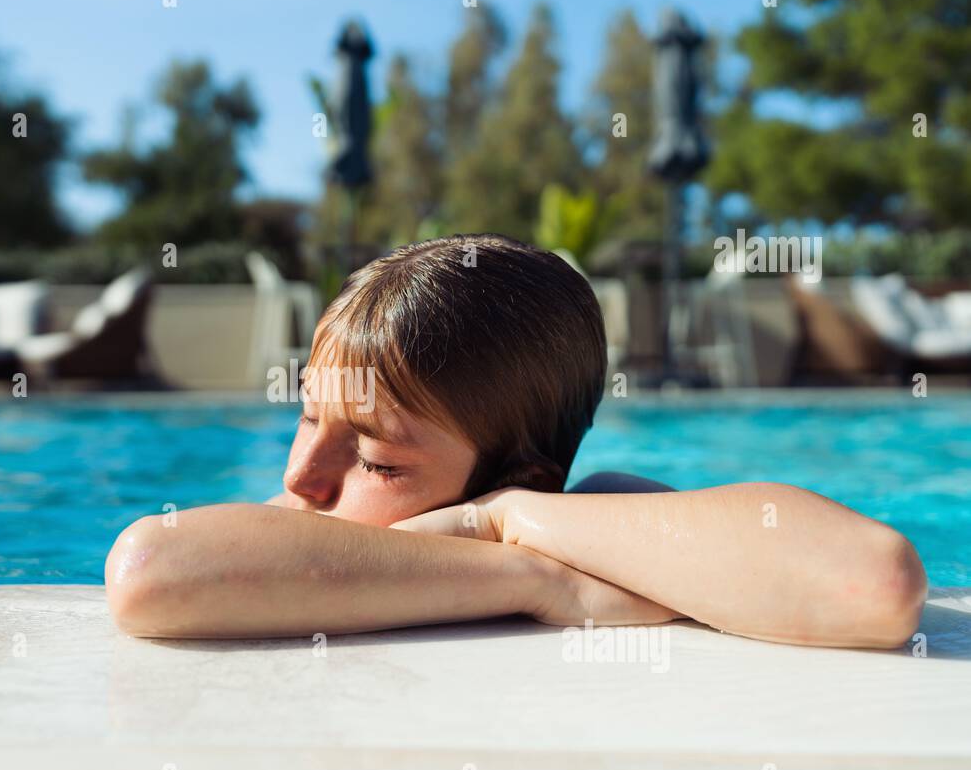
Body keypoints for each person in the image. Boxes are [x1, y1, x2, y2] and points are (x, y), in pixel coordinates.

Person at [106, 235, 926, 647]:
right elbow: (152, 571)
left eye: (374, 457)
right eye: (308, 415)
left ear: (519, 474)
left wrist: (499, 517)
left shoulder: (580, 515)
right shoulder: (297, 520)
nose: (301, 475)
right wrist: (530, 577)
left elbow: (872, 583)